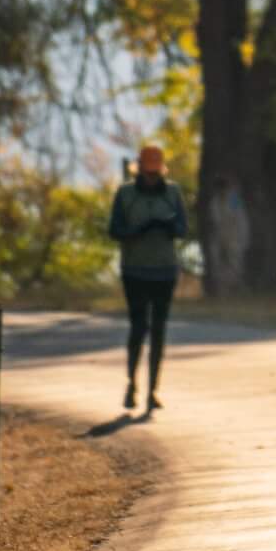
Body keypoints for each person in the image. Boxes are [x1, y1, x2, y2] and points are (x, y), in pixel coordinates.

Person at [108, 144, 189, 413]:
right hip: (135, 271)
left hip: (165, 271)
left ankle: (153, 390)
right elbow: (114, 230)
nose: (153, 178)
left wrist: (166, 227)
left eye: (156, 173)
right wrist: (138, 231)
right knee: (138, 327)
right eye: (149, 172)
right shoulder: (126, 193)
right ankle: (132, 384)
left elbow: (182, 229)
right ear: (140, 169)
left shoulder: (173, 192)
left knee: (159, 330)